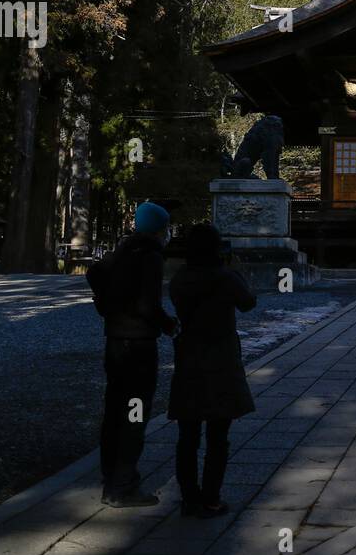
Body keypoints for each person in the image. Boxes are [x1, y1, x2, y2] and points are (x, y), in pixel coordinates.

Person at [168, 223, 257, 518]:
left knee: (188, 436)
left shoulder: (180, 277)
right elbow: (248, 302)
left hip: (189, 357)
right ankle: (211, 497)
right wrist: (235, 269)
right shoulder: (225, 277)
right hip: (221, 358)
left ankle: (189, 498)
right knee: (218, 436)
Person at [100, 202, 178, 507]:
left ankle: (109, 478)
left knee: (114, 410)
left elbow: (96, 276)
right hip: (139, 344)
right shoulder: (151, 256)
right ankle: (124, 485)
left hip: (115, 340)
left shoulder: (121, 252)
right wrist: (169, 325)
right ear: (159, 229)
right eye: (166, 228)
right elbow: (149, 305)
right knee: (135, 411)